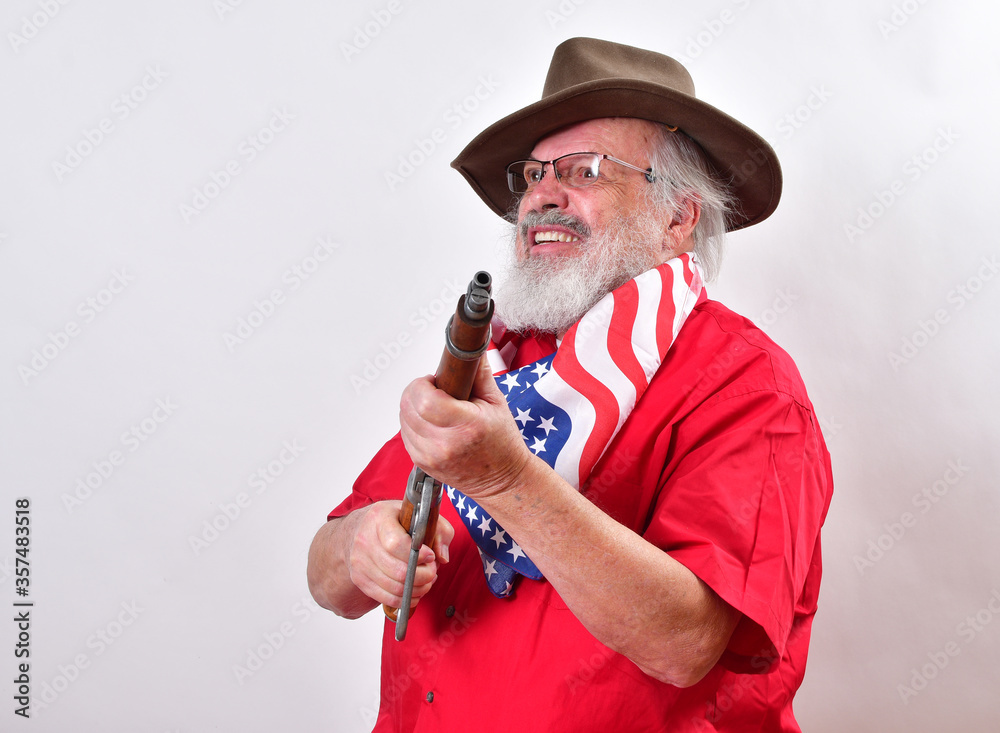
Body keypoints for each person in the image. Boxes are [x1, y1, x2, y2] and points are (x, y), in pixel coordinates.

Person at [308, 37, 833, 732]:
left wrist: (505, 479)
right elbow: (325, 576)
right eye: (531, 175)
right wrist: (362, 545)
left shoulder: (749, 387)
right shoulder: (496, 363)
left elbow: (688, 642)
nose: (542, 195)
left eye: (585, 170)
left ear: (679, 217)